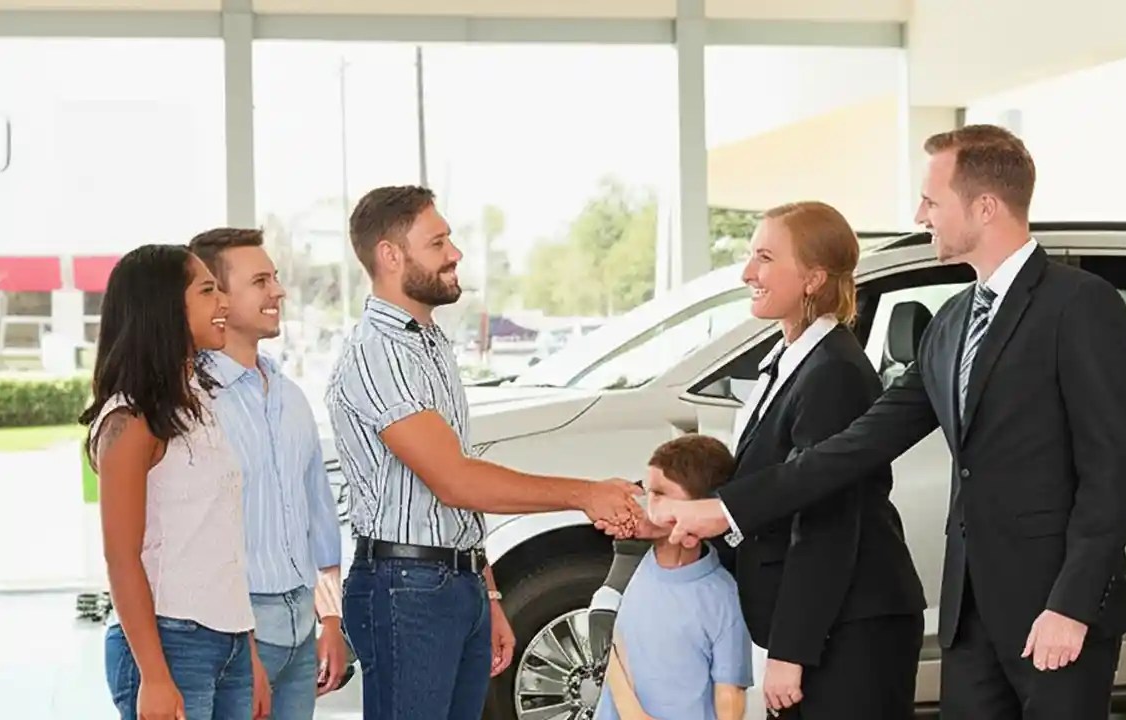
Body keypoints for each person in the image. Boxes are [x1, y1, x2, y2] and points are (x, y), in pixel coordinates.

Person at [646, 125, 1126, 719]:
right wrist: (725, 508)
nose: (919, 214)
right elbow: (858, 444)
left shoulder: (1079, 305)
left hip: (1055, 611)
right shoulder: (953, 320)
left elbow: (1111, 471)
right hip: (971, 615)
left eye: (932, 201)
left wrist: (1072, 605)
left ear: (984, 207)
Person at [324, 185, 643, 719]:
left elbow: (452, 498)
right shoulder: (379, 354)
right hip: (408, 592)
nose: (455, 254)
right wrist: (585, 494)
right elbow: (455, 480)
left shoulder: (426, 343)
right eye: (438, 242)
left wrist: (487, 591)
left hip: (454, 583)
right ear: (390, 255)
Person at [723, 201, 925, 718]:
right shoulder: (797, 359)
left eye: (765, 257)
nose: (749, 272)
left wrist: (792, 650)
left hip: (851, 627)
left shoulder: (832, 371)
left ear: (813, 278)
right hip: (829, 623)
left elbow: (827, 520)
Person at [83, 244, 270, 720]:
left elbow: (219, 541)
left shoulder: (198, 402)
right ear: (164, 306)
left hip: (226, 642)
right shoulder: (130, 420)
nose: (224, 303)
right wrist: (154, 675)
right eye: (208, 291)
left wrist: (246, 650)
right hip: (169, 645)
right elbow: (121, 558)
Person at [189, 228, 348, 719]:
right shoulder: (194, 403)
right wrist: (244, 643)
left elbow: (318, 520)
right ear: (217, 295)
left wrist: (331, 619)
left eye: (275, 278)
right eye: (261, 281)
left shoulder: (291, 396)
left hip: (302, 628)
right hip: (233, 632)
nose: (278, 291)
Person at [595, 434, 753, 720]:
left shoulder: (722, 598)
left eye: (658, 494)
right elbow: (614, 646)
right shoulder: (635, 566)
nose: (642, 502)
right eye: (645, 490)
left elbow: (730, 696)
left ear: (699, 511)